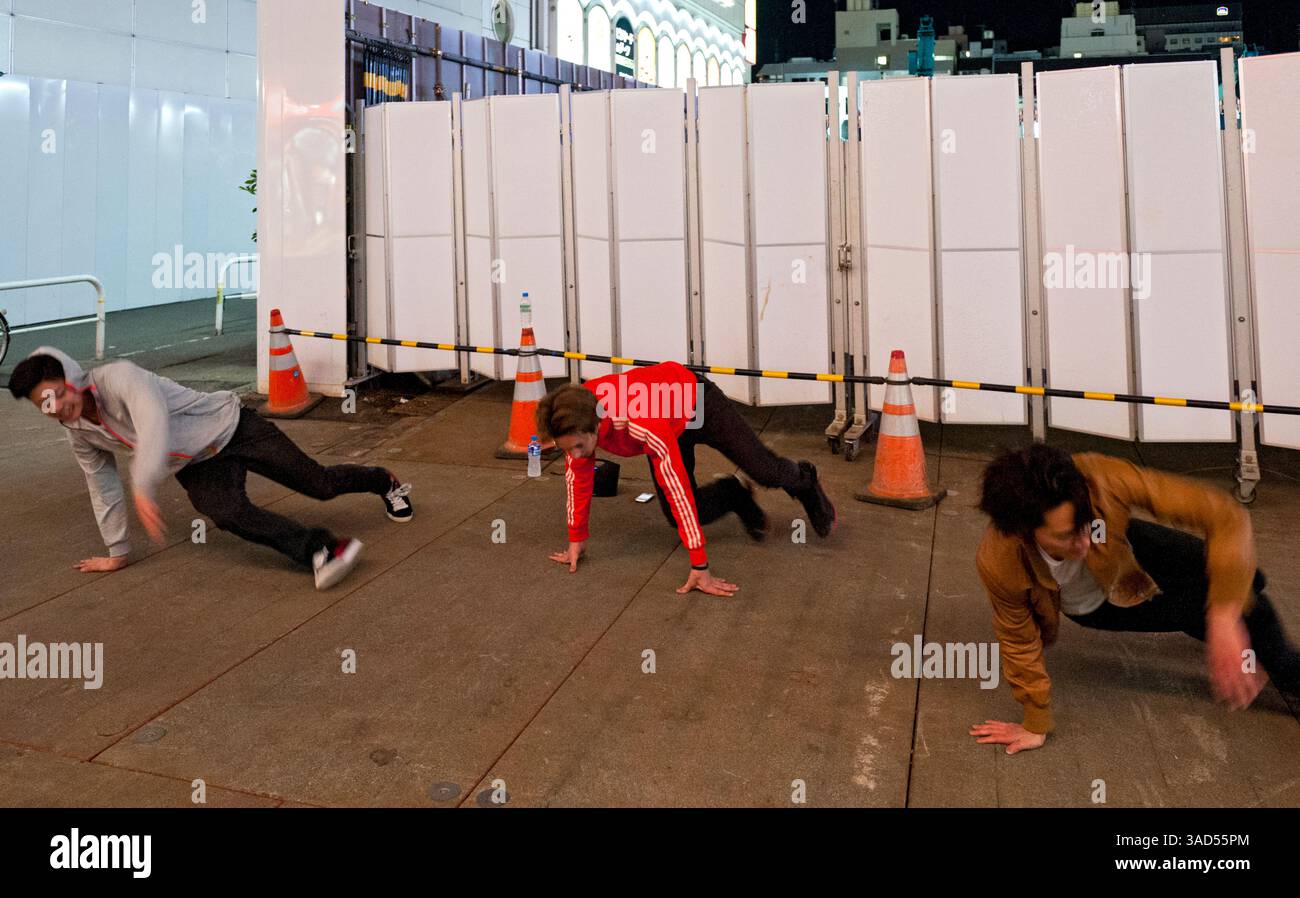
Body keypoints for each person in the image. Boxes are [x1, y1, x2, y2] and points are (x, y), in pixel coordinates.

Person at [971, 443, 1300, 754]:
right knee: (1249, 615)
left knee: (1241, 579)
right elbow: (1019, 642)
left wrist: (1224, 615)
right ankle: (1285, 669)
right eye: (1065, 536)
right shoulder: (1000, 562)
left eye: (1085, 522)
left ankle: (1239, 609)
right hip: (1102, 604)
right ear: (1023, 532)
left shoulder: (1100, 477)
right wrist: (1035, 723)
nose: (1083, 543)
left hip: (1124, 545)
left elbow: (1224, 514)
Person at [8, 347, 414, 590]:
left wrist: (143, 484)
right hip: (199, 462)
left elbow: (153, 420)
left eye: (57, 395)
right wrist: (118, 550)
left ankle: (384, 481)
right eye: (45, 405)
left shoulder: (119, 378)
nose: (57, 408)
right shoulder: (78, 432)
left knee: (319, 484)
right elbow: (100, 483)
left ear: (71, 380)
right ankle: (321, 550)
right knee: (227, 512)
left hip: (235, 427)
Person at [536, 361, 836, 596]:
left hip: (698, 402)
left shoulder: (639, 423)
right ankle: (733, 494)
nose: (575, 455)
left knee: (765, 471)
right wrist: (576, 538)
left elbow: (675, 486)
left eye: (579, 446)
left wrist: (700, 566)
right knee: (675, 514)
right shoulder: (576, 417)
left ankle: (805, 480)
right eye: (568, 449)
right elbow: (578, 478)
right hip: (666, 417)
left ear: (596, 426)